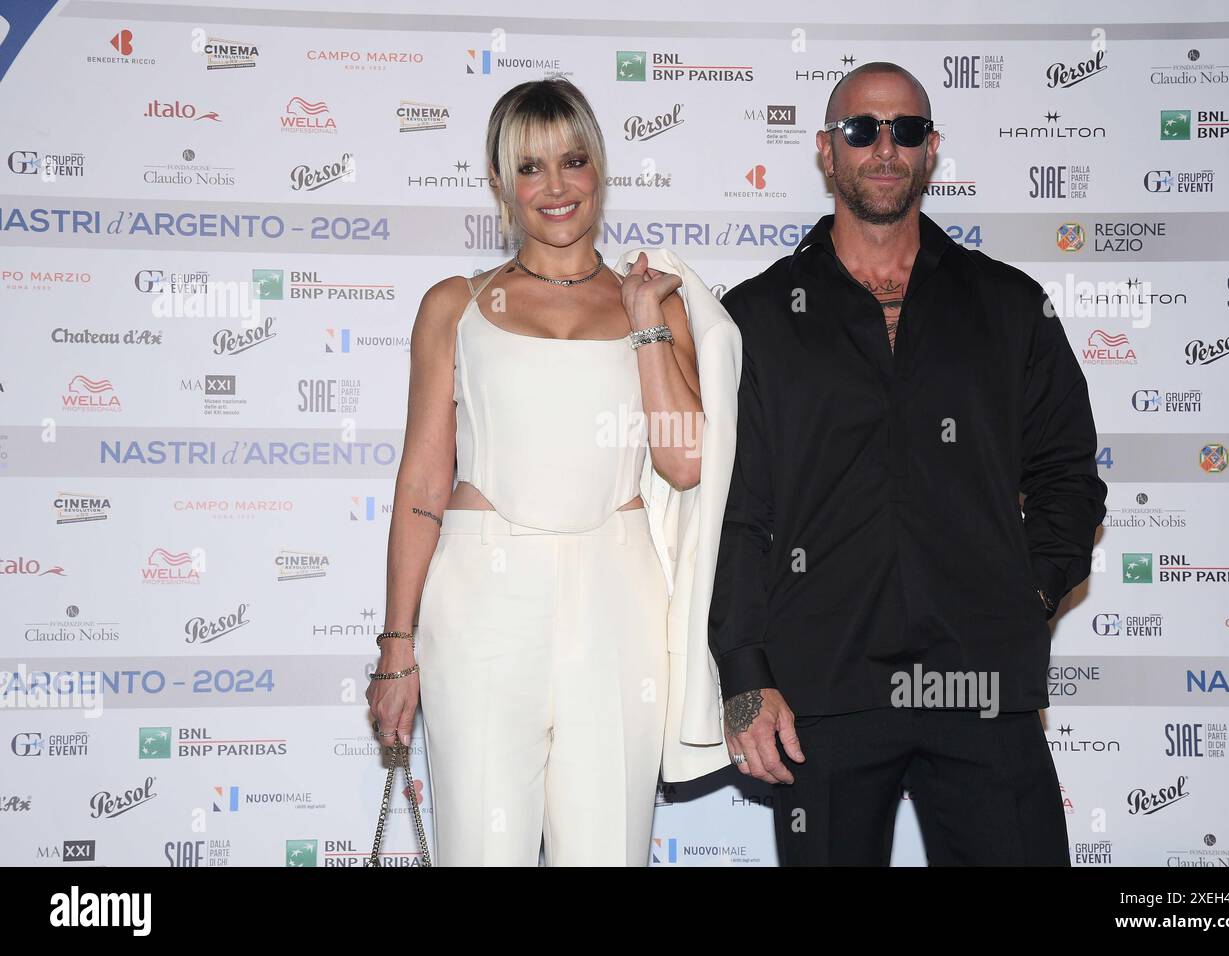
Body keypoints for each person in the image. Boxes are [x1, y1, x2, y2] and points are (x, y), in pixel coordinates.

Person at [709, 62, 1108, 865]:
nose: (884, 148)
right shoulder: (757, 317)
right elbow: (737, 511)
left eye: (907, 130)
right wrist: (746, 672)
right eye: (861, 129)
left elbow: (1069, 473)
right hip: (821, 687)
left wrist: (1024, 593)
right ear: (827, 151)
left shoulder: (1007, 305)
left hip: (980, 682)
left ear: (932, 151)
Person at [366, 77, 736, 867]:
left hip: (619, 599)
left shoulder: (656, 300)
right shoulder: (456, 306)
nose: (557, 187)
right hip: (482, 603)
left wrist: (644, 326)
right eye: (530, 168)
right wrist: (398, 647)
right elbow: (424, 485)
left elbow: (685, 457)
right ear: (499, 185)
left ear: (600, 169)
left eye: (573, 161)